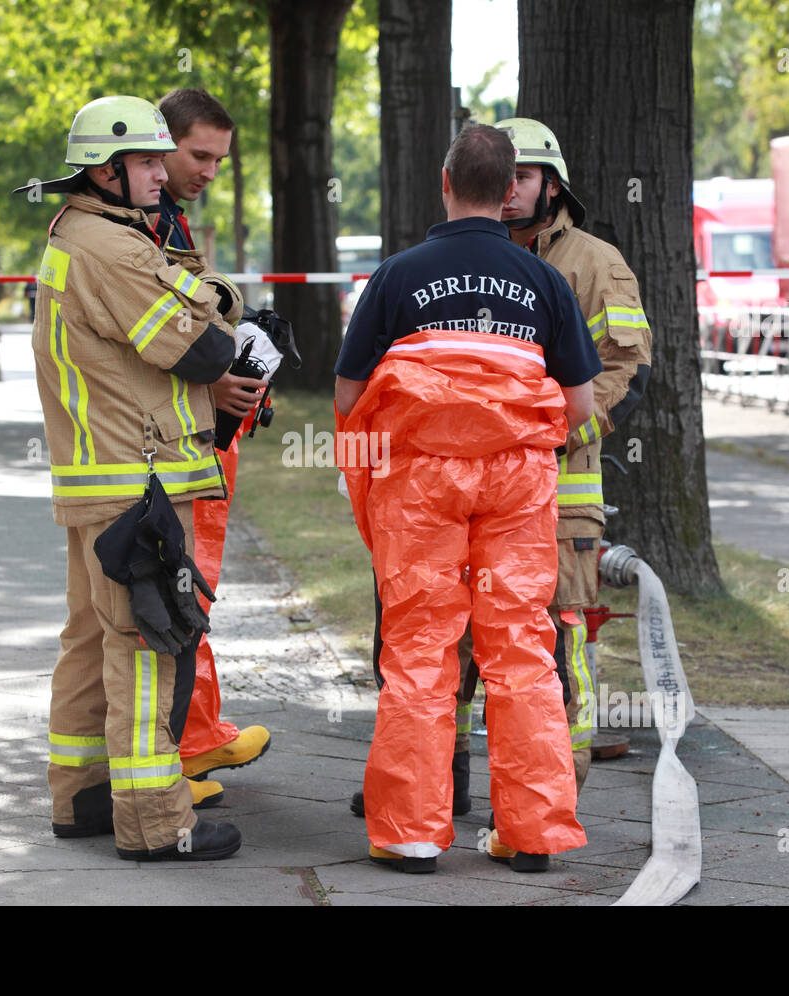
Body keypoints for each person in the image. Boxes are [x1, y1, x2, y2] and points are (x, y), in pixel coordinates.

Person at [334, 124, 600, 874]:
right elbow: (579, 406)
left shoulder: (394, 277)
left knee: (419, 644)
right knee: (520, 644)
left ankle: (411, 831)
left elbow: (350, 397)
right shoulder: (544, 280)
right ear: (512, 187)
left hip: (420, 483)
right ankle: (532, 832)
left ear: (444, 181)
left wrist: (376, 476)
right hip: (517, 483)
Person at [20, 95, 250, 861]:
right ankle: (157, 825)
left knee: (92, 637)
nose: (163, 174)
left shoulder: (78, 236)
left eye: (161, 159)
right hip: (137, 485)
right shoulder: (113, 251)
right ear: (106, 170)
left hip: (99, 483)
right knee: (152, 645)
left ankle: (81, 796)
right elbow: (203, 352)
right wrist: (222, 300)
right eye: (149, 162)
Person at [485, 117, 652, 844]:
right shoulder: (479, 255)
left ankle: (553, 797)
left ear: (552, 185)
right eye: (502, 177)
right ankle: (476, 789)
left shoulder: (593, 261)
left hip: (560, 491)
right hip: (480, 491)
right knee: (476, 641)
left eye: (523, 177)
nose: (510, 190)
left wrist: (554, 430)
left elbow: (628, 368)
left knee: (557, 644)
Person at [155, 88, 272, 800]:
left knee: (187, 593)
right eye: (198, 155)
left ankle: (194, 738)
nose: (209, 170)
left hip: (188, 436)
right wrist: (214, 382)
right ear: (157, 144)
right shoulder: (140, 227)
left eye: (218, 159)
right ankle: (166, 758)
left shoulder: (168, 219)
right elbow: (153, 338)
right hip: (163, 445)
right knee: (169, 598)